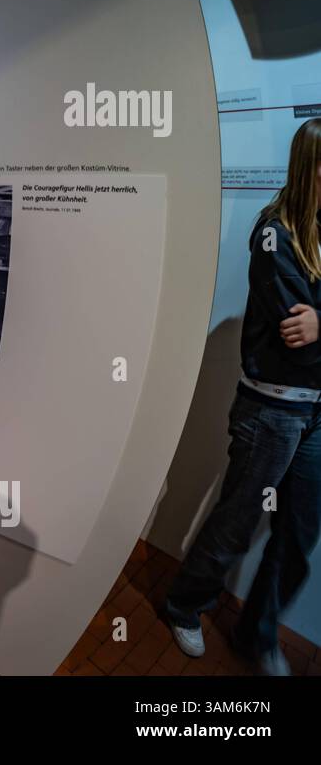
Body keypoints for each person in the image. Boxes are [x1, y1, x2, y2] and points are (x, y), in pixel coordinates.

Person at [164, 118, 321, 677]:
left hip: (314, 413)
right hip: (273, 409)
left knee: (298, 531)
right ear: (313, 166)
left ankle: (258, 633)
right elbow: (298, 343)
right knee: (237, 522)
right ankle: (184, 604)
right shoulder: (275, 233)